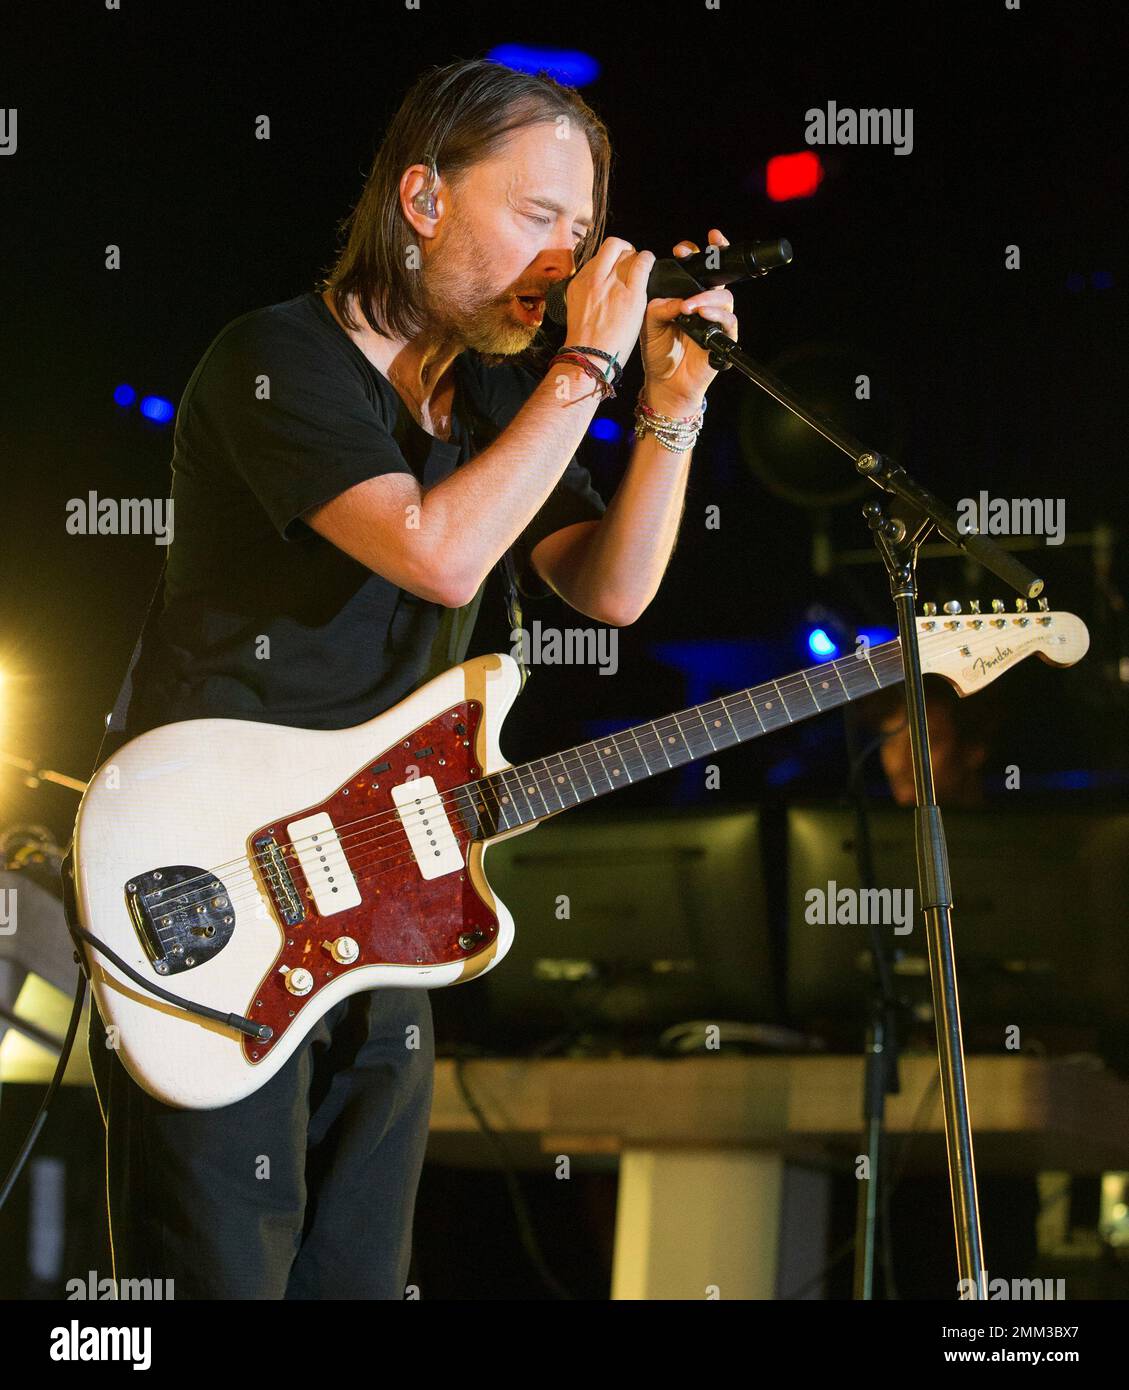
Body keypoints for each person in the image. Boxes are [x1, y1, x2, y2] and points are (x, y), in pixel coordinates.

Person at [84, 56, 738, 1299]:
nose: (564, 259)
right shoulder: (274, 360)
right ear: (424, 199)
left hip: (382, 908)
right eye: (537, 218)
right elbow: (437, 554)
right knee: (222, 1271)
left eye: (584, 231)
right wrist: (585, 370)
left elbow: (609, 588)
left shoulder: (495, 395)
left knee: (355, 1278)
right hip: (215, 896)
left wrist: (667, 407)